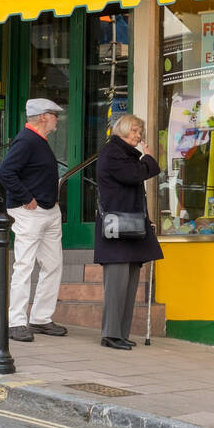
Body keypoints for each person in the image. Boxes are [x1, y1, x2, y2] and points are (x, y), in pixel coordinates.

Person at [0, 98, 68, 343]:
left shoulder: (38, 141)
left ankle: (40, 318)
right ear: (42, 117)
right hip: (30, 211)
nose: (57, 119)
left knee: (53, 264)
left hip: (48, 210)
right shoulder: (26, 140)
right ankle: (16, 322)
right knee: (24, 265)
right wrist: (26, 197)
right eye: (54, 114)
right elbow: (5, 171)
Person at [94, 114, 162, 350]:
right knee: (116, 284)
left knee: (130, 281)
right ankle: (111, 334)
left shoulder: (125, 154)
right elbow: (132, 175)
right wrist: (150, 158)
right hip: (117, 227)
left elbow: (132, 187)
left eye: (139, 131)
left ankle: (121, 333)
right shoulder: (112, 152)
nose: (138, 135)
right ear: (121, 130)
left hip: (129, 226)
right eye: (134, 130)